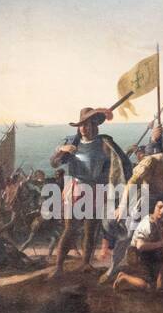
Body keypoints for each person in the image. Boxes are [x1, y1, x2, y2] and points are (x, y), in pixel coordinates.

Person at [49, 105, 132, 276]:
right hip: (77, 188)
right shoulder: (72, 143)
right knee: (70, 229)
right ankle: (58, 267)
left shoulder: (105, 143)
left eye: (89, 124)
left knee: (91, 228)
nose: (85, 128)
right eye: (82, 125)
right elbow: (54, 163)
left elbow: (121, 163)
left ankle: (86, 263)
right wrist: (60, 150)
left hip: (97, 190)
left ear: (96, 125)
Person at [112, 196, 163, 292]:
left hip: (149, 254)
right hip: (136, 255)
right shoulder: (147, 224)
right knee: (147, 286)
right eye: (160, 207)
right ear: (154, 207)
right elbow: (140, 246)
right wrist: (161, 243)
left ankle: (160, 282)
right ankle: (124, 277)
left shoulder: (161, 223)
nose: (162, 211)